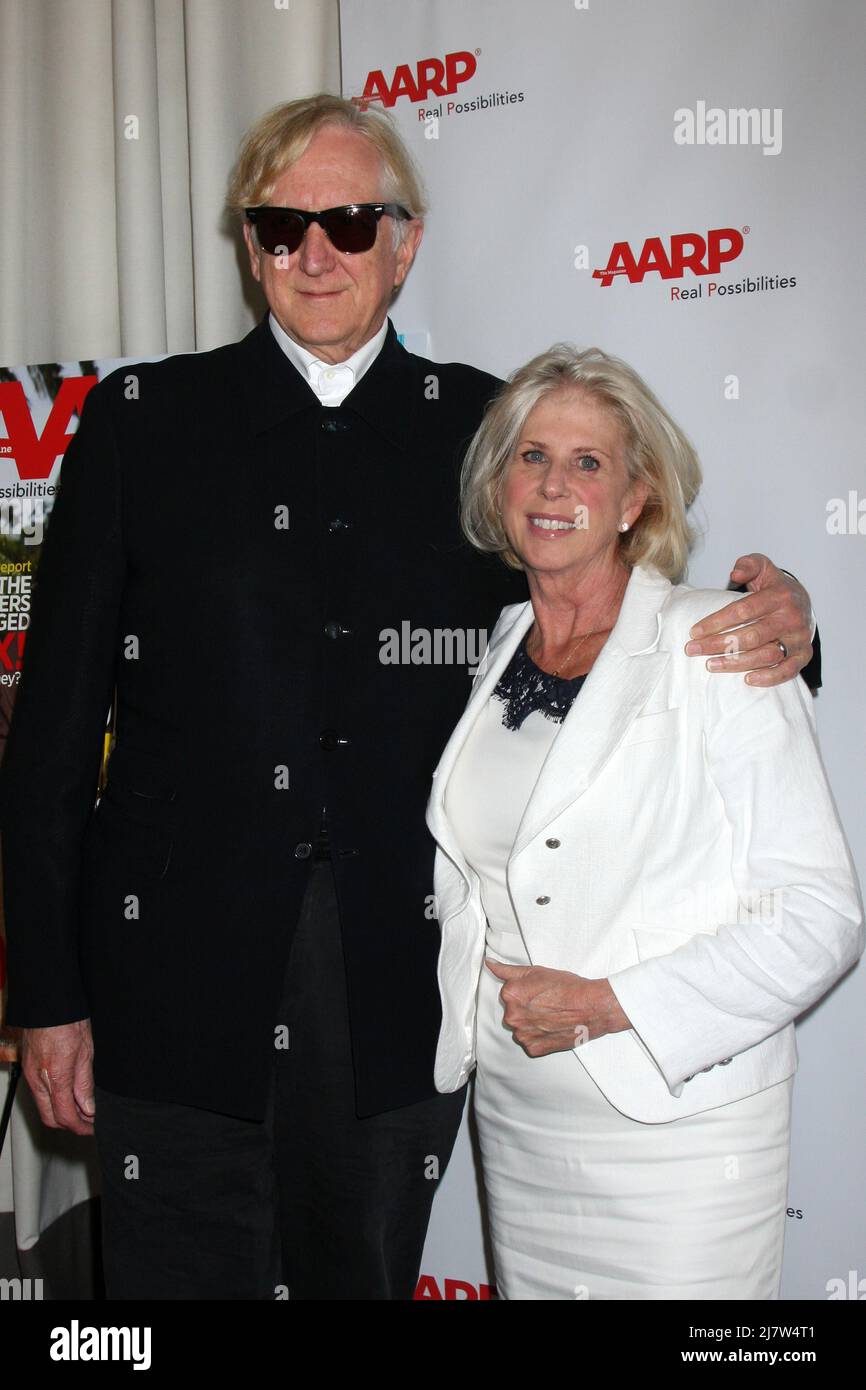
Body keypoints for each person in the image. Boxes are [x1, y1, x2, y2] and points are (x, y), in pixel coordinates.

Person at [0, 95, 820, 1301]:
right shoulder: (143, 426)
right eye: (281, 226)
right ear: (248, 245)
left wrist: (785, 627)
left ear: (405, 241)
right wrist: (50, 998)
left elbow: (615, 622)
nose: (315, 253)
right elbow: (54, 738)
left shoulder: (489, 435)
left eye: (348, 221)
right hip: (166, 994)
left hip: (397, 1001)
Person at [426, 343, 863, 1300]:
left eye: (588, 462)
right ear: (499, 484)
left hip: (681, 1136)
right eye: (530, 455)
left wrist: (607, 1004)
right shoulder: (499, 642)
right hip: (519, 1118)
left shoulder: (720, 642)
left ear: (636, 499)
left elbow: (820, 917)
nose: (553, 484)